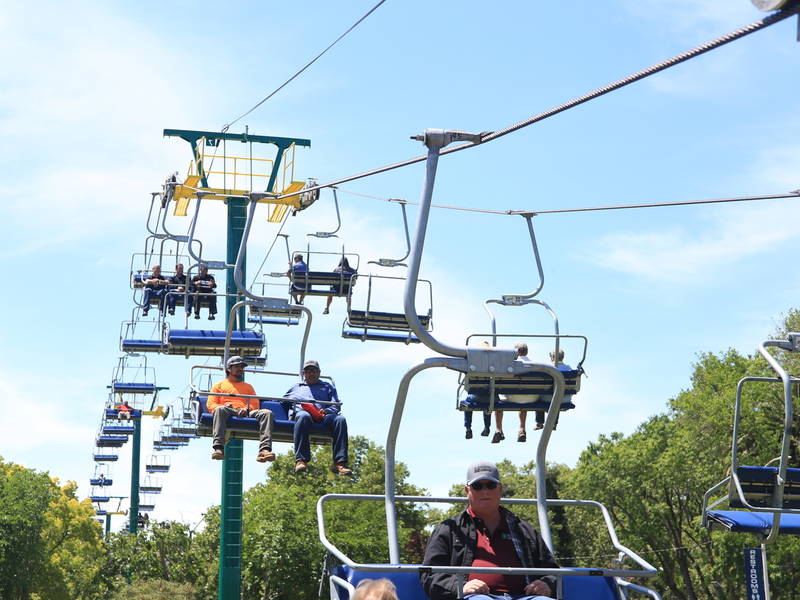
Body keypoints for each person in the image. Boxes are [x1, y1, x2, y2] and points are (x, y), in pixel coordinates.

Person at [420, 461, 558, 600]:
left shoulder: (523, 530)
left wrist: (547, 584)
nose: (485, 491)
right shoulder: (450, 530)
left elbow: (552, 571)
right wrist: (460, 587)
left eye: (491, 485)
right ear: (467, 491)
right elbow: (430, 574)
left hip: (523, 597)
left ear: (500, 489)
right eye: (477, 486)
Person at [283, 359, 351, 474]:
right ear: (304, 373)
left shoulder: (327, 387)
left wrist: (326, 411)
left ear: (319, 373)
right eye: (308, 371)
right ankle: (301, 460)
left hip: (323, 416)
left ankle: (340, 463)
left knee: (340, 419)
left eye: (314, 371)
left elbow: (336, 405)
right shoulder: (296, 387)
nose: (311, 373)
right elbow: (283, 402)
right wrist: (292, 412)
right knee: (303, 416)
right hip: (304, 415)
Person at [207, 355, 275, 462]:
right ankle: (218, 448)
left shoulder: (248, 387)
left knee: (267, 413)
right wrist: (224, 406)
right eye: (237, 366)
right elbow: (211, 405)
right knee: (219, 410)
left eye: (242, 367)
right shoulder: (219, 386)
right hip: (228, 411)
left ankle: (264, 450)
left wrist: (247, 409)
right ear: (229, 369)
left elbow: (254, 404)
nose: (240, 369)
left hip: (246, 412)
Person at [492, 342, 536, 444]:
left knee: (498, 400)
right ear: (527, 352)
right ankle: (522, 428)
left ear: (515, 352)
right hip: (531, 397)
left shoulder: (509, 363)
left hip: (512, 397)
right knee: (524, 396)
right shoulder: (535, 364)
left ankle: (498, 429)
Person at [534, 349, 571, 431]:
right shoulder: (569, 368)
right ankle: (554, 423)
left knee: (539, 397)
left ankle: (539, 422)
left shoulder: (548, 368)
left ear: (554, 357)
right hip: (565, 399)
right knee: (558, 395)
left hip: (548, 398)